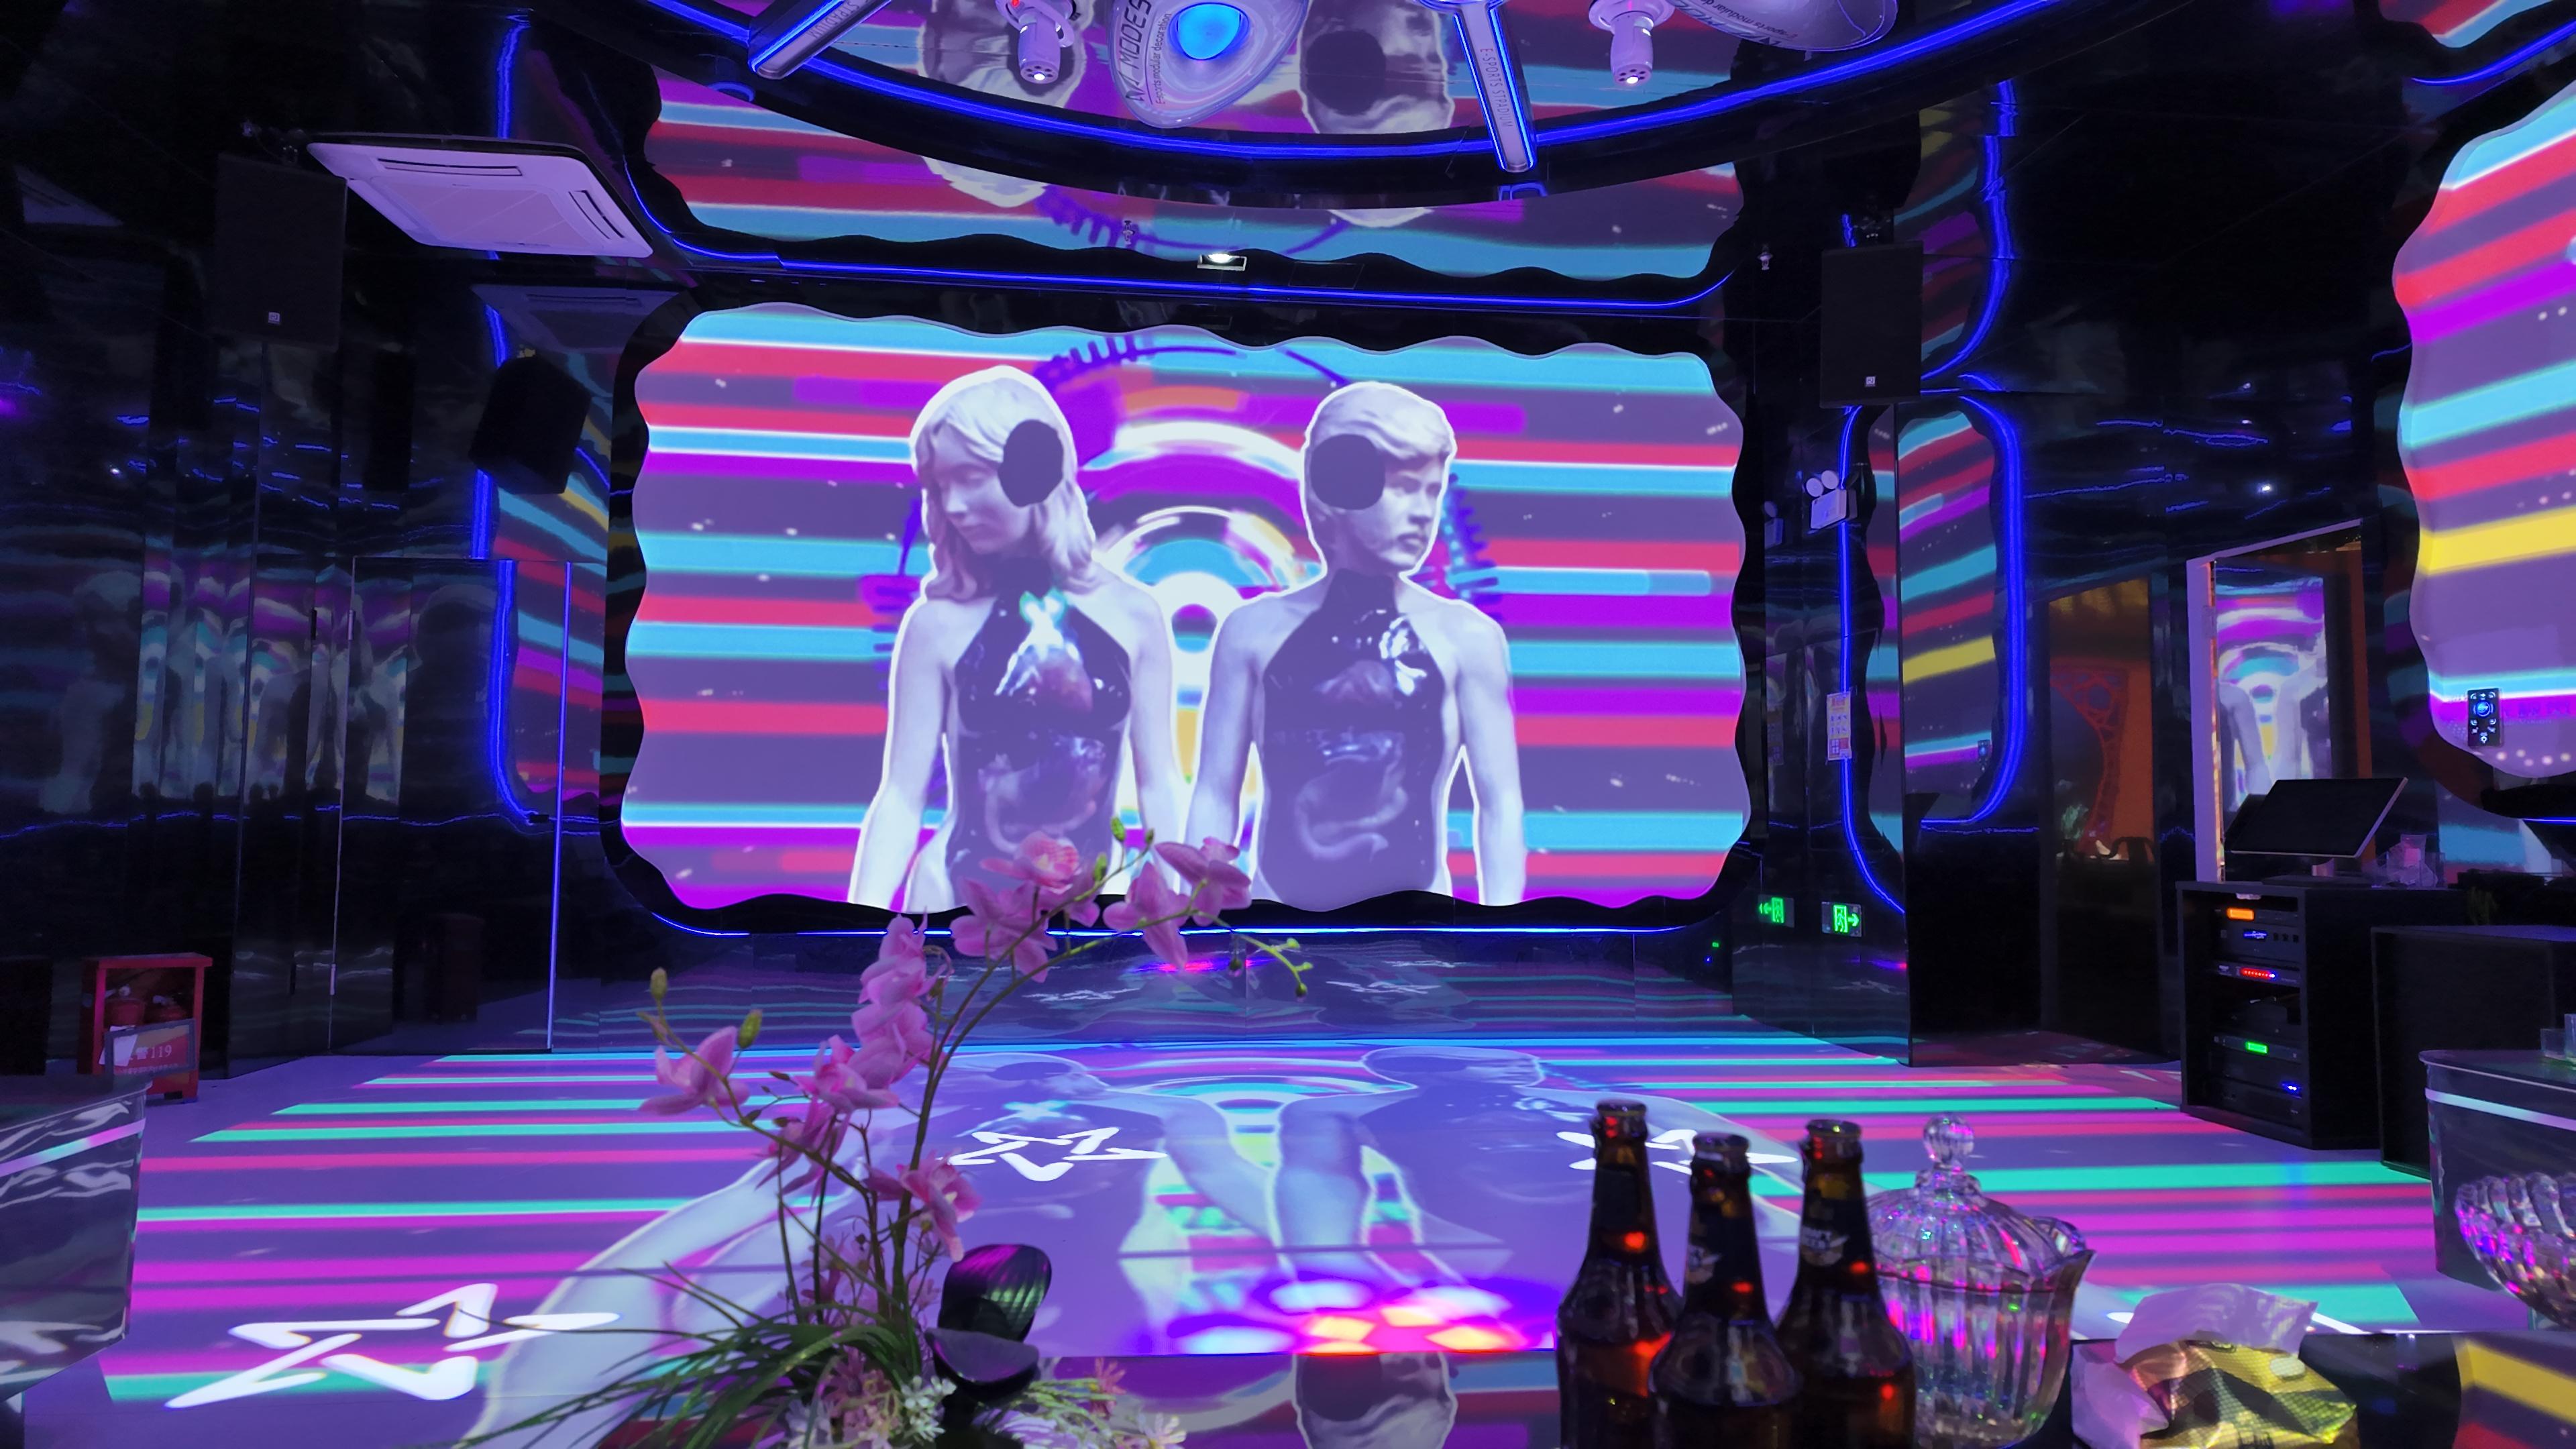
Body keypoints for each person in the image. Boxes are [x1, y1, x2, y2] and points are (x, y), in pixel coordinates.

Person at [848, 368, 1184, 912]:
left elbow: (1159, 782)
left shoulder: (1134, 616)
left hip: (1094, 907)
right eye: (940, 486)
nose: (953, 506)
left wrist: (1185, 907)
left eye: (970, 477)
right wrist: (858, 922)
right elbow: (901, 796)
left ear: (1035, 471)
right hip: (953, 899)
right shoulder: (936, 626)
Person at [1186, 382, 1525, 911]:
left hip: (1420, 931)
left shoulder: (1466, 638)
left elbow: (1500, 802)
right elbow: (1214, 791)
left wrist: (1502, 932)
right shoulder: (1252, 632)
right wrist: (1195, 916)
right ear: (1340, 487)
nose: (1423, 512)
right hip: (1277, 928)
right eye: (1405, 488)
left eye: (1432, 491)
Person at [1271, 1046, 1801, 1289]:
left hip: (1695, 1219)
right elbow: (1316, 1179)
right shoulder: (1343, 1111)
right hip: (1515, 1245)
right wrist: (1336, 1272)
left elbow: (1770, 1157)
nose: (1512, 1064)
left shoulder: (1624, 1102)